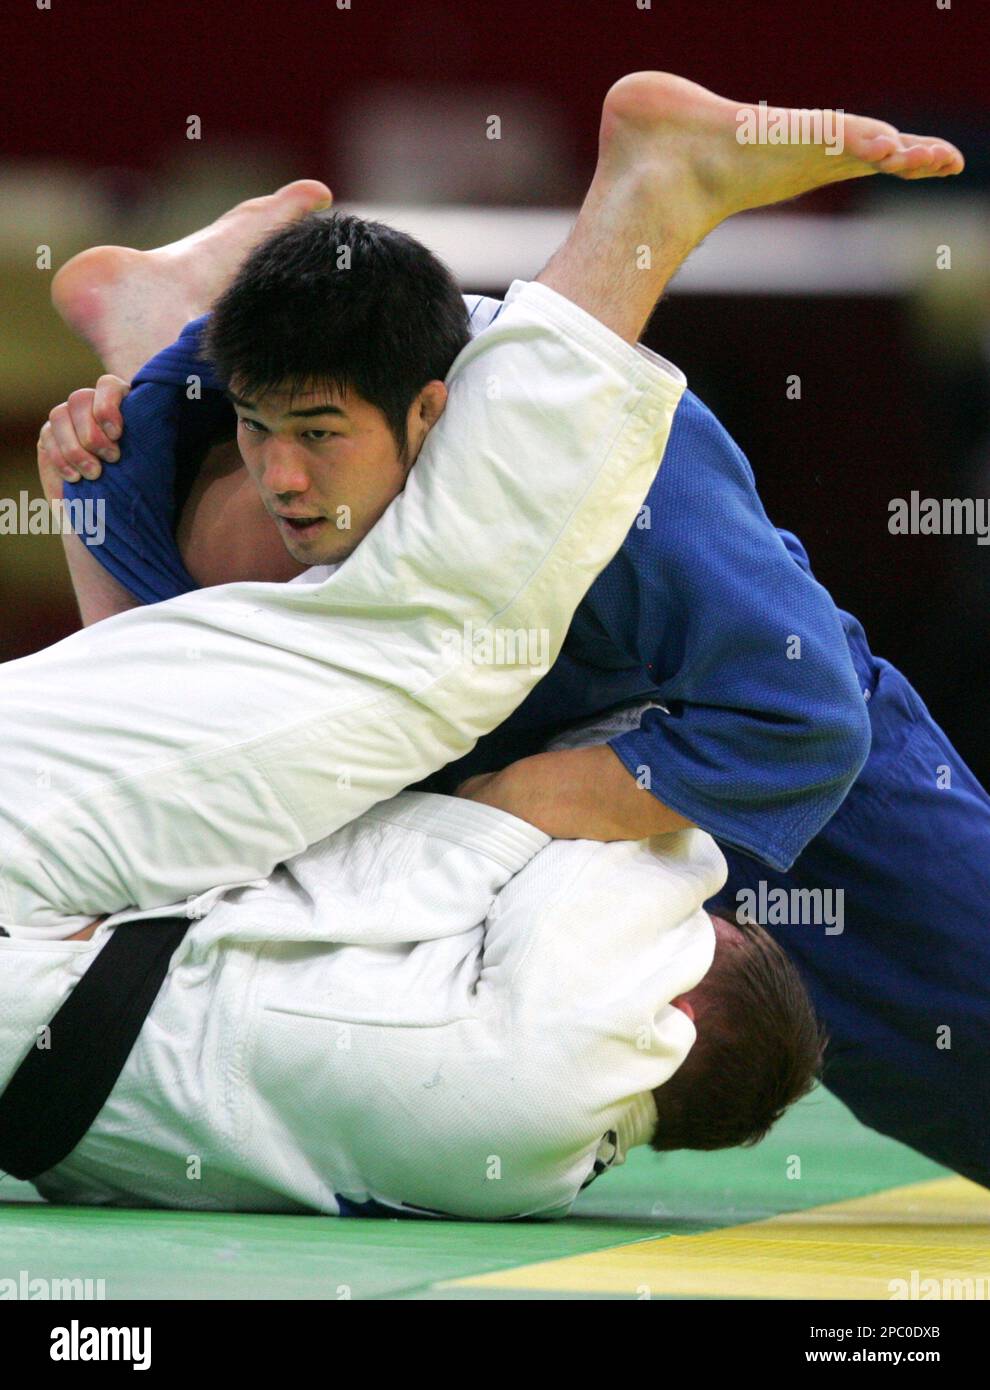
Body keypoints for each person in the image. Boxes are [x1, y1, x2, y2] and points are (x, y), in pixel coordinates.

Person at [42, 83, 987, 1189]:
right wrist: (91, 502)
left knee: (944, 1055)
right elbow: (143, 744)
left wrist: (491, 814)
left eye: (318, 434)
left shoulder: (628, 469)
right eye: (255, 424)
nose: (281, 475)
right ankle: (170, 318)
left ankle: (649, 191)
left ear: (435, 411)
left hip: (765, 780)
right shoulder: (192, 501)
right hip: (498, 771)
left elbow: (807, 722)